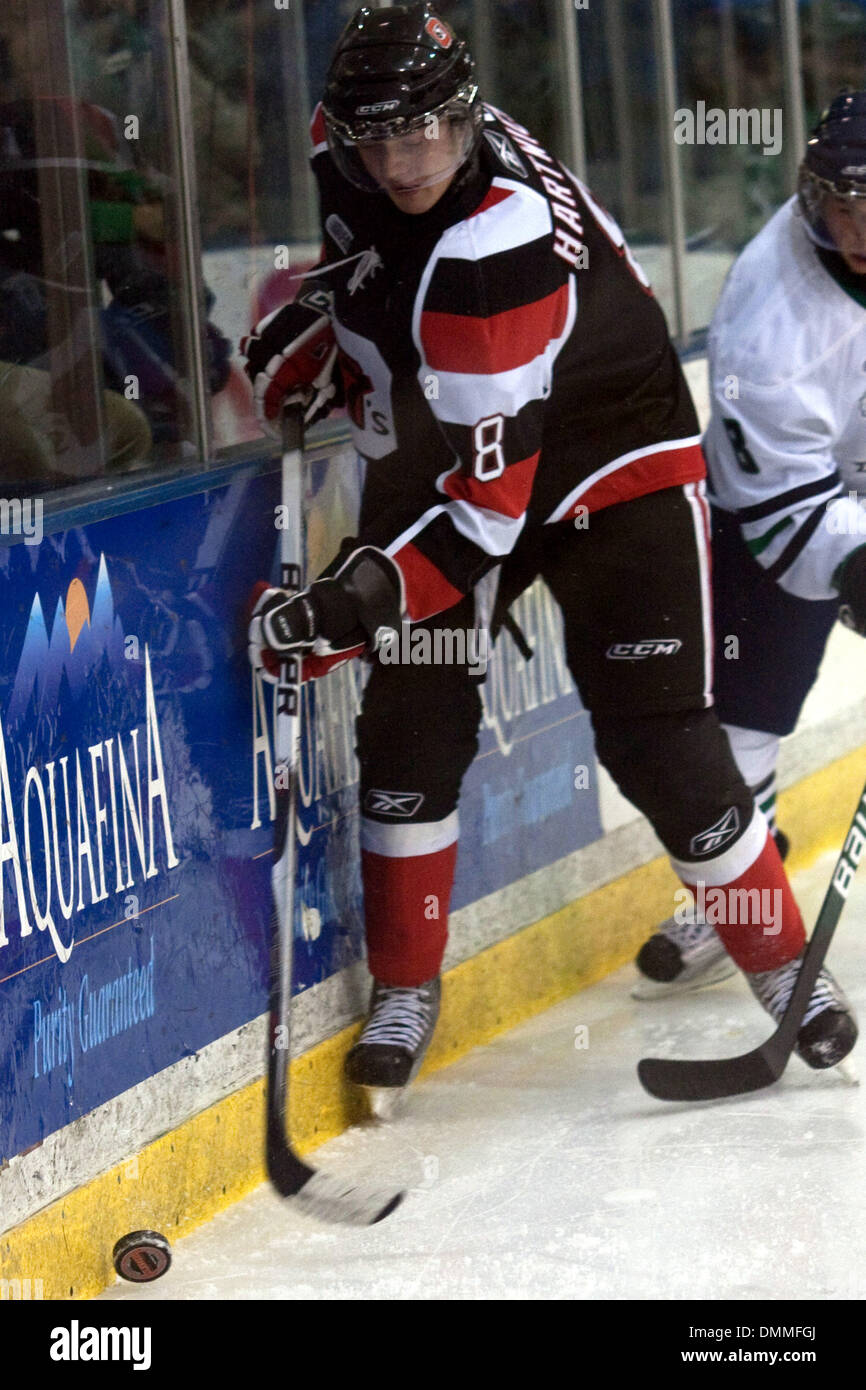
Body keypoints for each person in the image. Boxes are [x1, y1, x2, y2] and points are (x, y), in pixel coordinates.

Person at [243, 5, 856, 1112]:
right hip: (469, 426)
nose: (399, 162)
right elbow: (378, 276)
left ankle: (778, 967)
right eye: (376, 139)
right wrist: (330, 340)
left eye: (422, 135)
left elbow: (483, 515)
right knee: (410, 712)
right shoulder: (366, 150)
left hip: (605, 452)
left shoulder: (497, 246)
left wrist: (352, 602)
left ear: (465, 116)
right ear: (342, 127)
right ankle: (404, 988)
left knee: (656, 727)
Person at [634, 89, 866, 1017]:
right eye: (843, 209)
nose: (855, 232)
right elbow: (786, 508)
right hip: (783, 505)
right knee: (737, 722)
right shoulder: (771, 312)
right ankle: (738, 893)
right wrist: (856, 568)